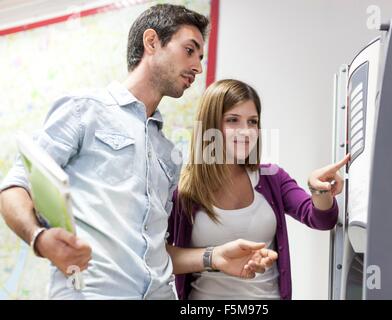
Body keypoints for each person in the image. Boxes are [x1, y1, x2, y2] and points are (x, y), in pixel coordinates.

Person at [0, 5, 276, 300]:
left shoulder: (168, 152)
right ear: (152, 42)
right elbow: (15, 187)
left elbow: (156, 252)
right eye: (189, 50)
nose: (197, 66)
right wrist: (39, 237)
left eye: (200, 57)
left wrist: (213, 256)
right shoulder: (84, 111)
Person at [168, 79, 349, 300]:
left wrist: (319, 189)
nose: (246, 131)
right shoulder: (184, 191)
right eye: (233, 120)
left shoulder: (272, 178)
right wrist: (212, 257)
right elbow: (159, 257)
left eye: (252, 122)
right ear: (210, 126)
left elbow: (320, 219)